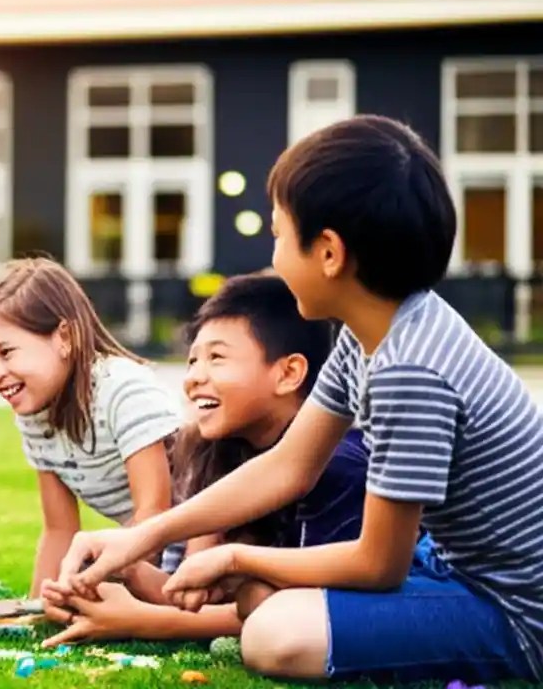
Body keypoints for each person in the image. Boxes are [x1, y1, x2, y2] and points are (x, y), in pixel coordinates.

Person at [55, 115, 543, 685]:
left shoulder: (409, 367)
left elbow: (377, 566)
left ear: (329, 253)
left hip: (513, 612)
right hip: (448, 569)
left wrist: (236, 558)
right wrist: (142, 536)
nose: (275, 254)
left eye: (279, 234)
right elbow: (287, 466)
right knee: (261, 599)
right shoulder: (375, 333)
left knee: (272, 632)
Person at [36, 272, 368, 648]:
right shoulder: (218, 452)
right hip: (279, 613)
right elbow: (187, 593)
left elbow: (308, 607)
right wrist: (124, 567)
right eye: (192, 360)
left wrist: (141, 622)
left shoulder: (340, 465)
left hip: (337, 616)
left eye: (216, 358)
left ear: (288, 373)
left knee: (258, 597)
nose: (194, 378)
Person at [0, 257, 180, 598]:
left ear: (64, 337)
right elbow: (59, 529)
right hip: (142, 553)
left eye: (6, 352)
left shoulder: (123, 389)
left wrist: (105, 580)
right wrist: (37, 608)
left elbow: (154, 513)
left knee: (84, 584)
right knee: (72, 589)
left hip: (194, 547)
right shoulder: (35, 414)